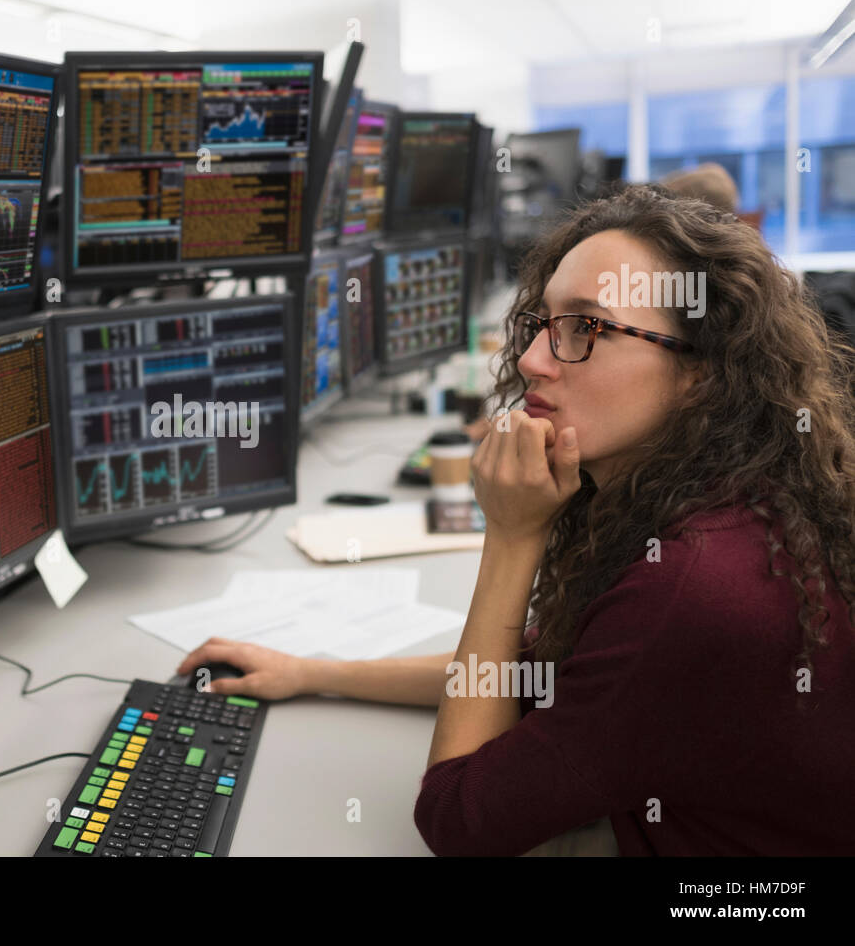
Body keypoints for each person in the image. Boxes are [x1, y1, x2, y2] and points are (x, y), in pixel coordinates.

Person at [177, 183, 855, 855]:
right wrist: (311, 672)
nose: (531, 360)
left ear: (700, 374)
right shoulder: (718, 495)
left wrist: (511, 535)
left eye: (587, 328)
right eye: (543, 322)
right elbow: (543, 668)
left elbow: (458, 822)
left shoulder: (693, 583)